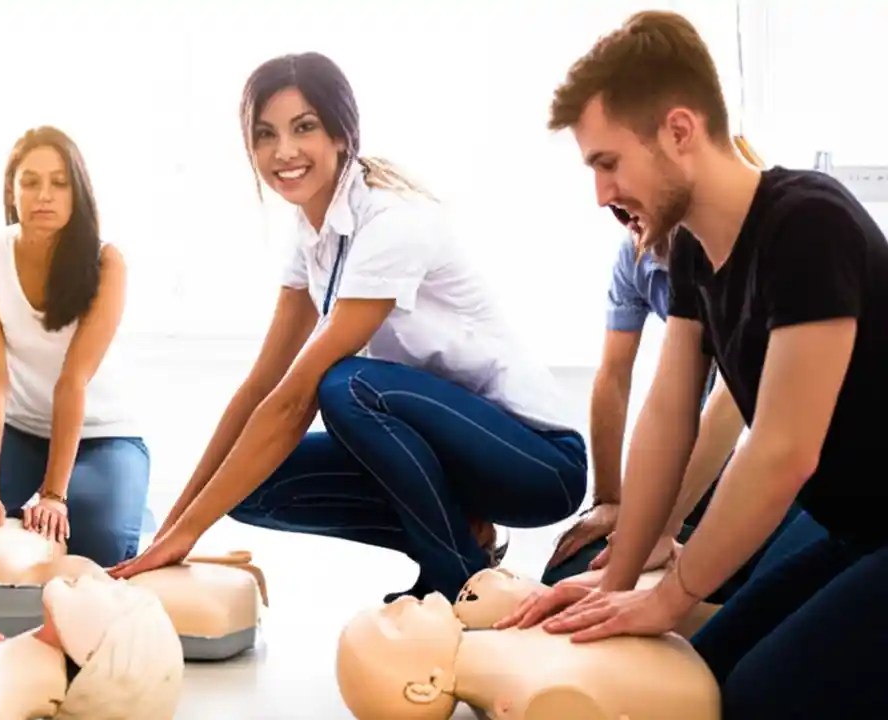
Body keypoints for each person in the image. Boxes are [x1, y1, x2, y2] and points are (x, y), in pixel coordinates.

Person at [498, 11, 888, 718]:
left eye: (607, 163)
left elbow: (781, 451)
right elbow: (669, 415)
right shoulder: (689, 252)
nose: (600, 194)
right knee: (702, 668)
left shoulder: (807, 223)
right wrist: (621, 575)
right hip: (854, 522)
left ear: (679, 131)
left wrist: (671, 596)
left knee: (757, 697)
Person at [110, 51, 587, 603]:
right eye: (266, 135)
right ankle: (460, 544)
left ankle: (460, 585)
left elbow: (295, 401)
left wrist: (189, 532)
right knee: (248, 487)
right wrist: (174, 532)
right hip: (456, 458)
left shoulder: (390, 220)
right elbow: (262, 386)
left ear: (342, 135)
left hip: (537, 462)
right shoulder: (312, 233)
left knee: (345, 387)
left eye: (303, 127)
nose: (283, 151)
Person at [541, 209, 818, 601]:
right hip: (717, 465)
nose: (603, 198)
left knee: (768, 586)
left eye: (611, 164)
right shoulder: (647, 259)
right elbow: (618, 378)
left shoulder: (760, 247)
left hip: (791, 475)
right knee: (570, 570)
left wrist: (658, 529)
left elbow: (730, 404)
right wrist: (611, 502)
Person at [0, 126, 150, 569]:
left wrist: (53, 495)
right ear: (12, 189)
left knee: (94, 541)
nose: (44, 194)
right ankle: (43, 493)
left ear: (76, 192)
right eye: (30, 182)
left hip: (104, 436)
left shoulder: (106, 262)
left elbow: (73, 380)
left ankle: (124, 501)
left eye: (59, 183)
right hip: (21, 432)